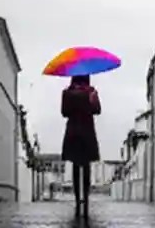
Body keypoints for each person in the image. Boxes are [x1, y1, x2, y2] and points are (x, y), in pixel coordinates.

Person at [60, 74, 101, 216]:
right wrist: (91, 99)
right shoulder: (91, 91)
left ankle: (78, 200)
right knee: (87, 166)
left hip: (73, 131)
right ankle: (86, 199)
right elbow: (97, 110)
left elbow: (64, 112)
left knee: (76, 166)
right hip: (87, 130)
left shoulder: (67, 93)